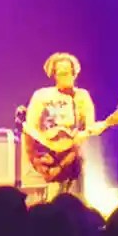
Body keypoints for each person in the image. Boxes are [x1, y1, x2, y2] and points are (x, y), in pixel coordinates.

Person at [23, 52, 106, 202]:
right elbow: (30, 127)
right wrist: (36, 157)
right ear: (53, 75)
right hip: (47, 157)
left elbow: (90, 125)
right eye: (61, 73)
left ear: (75, 73)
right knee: (51, 202)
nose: (66, 77)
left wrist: (92, 130)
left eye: (69, 73)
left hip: (72, 157)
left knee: (75, 201)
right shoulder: (41, 96)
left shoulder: (82, 96)